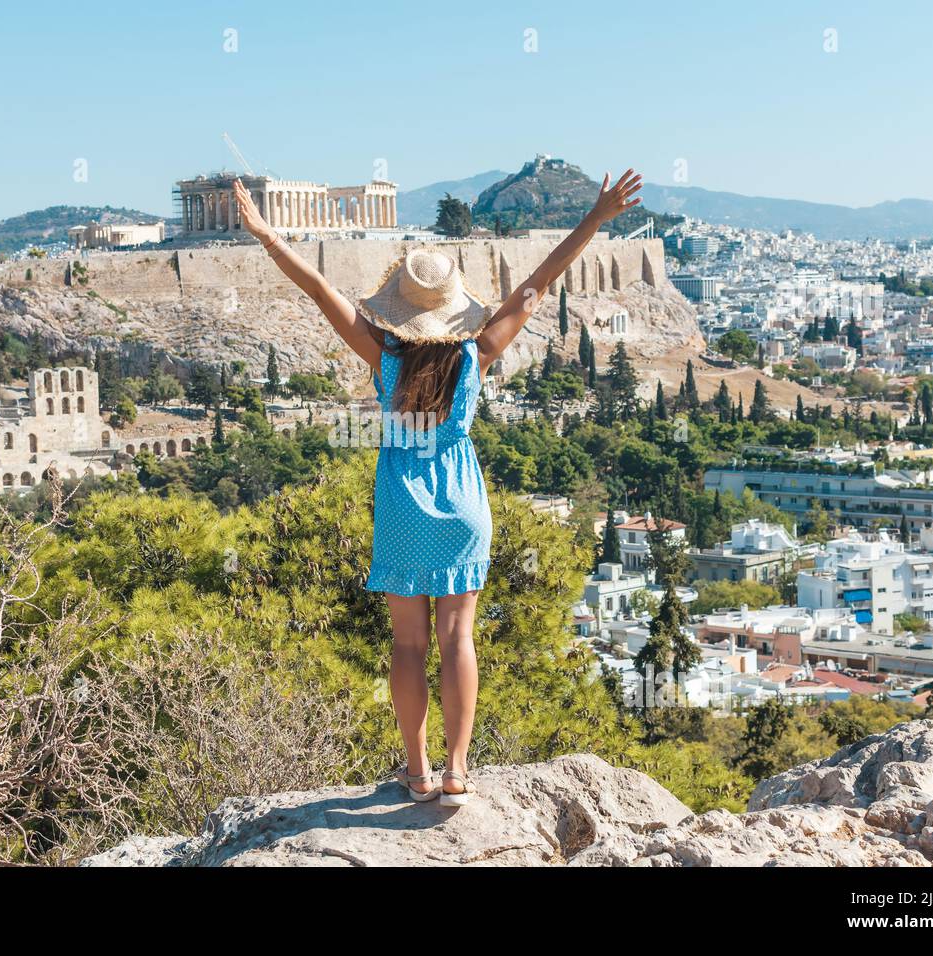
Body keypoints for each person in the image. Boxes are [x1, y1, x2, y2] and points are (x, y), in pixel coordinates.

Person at [232, 170, 642, 806]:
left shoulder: (384, 359)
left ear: (400, 309)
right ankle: (457, 771)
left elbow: (316, 287)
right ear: (455, 309)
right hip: (461, 503)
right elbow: (539, 284)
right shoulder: (477, 356)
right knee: (459, 639)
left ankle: (416, 772)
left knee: (408, 642)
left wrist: (264, 233)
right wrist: (594, 218)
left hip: (401, 502)